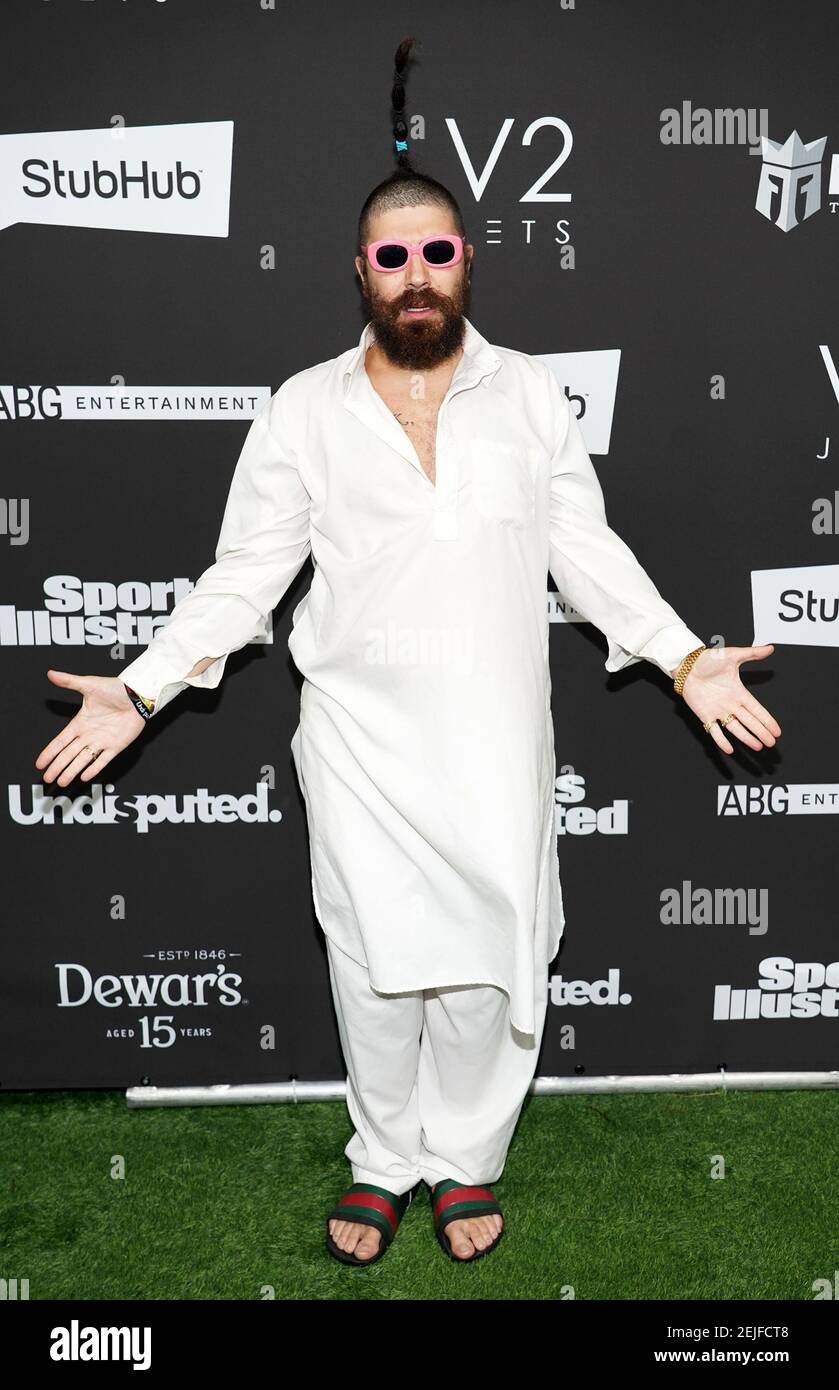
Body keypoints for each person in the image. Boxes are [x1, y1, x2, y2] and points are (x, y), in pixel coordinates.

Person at [33, 60, 782, 1270]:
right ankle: (385, 1157)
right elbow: (245, 576)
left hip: (493, 740)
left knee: (494, 966)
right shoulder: (300, 410)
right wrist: (142, 682)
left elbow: (585, 553)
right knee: (375, 967)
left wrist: (684, 655)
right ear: (360, 272)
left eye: (434, 253)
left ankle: (467, 1159)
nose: (415, 277)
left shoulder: (531, 395)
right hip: (358, 740)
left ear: (467, 257)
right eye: (391, 259)